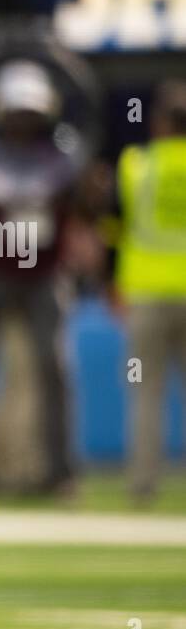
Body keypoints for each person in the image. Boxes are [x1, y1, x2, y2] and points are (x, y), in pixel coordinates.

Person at [0, 59, 84, 496]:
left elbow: (83, 207)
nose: (22, 123)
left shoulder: (62, 154)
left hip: (43, 275)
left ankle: (60, 475)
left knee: (56, 368)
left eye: (30, 113)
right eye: (15, 113)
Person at [116, 81, 186, 503]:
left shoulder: (137, 165)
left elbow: (117, 218)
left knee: (146, 394)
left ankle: (144, 484)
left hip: (146, 295)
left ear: (159, 123)